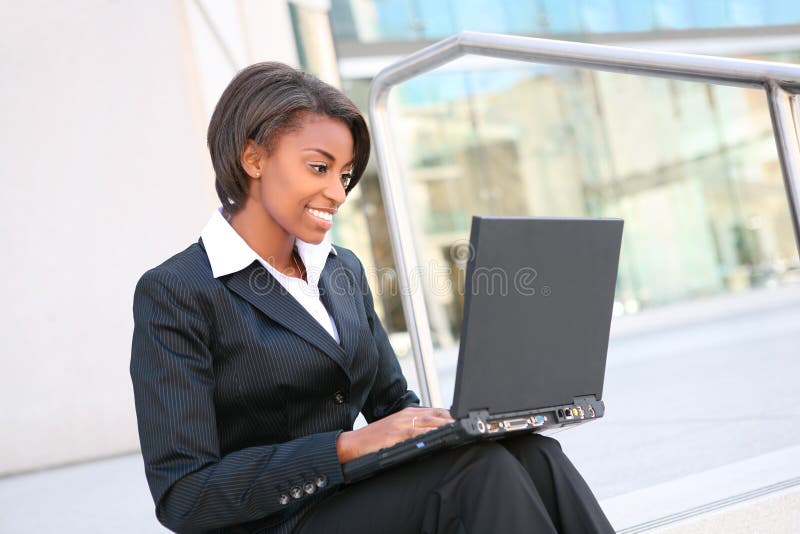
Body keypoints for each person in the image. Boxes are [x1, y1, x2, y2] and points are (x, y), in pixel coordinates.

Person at [130, 62, 614, 534]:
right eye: (319, 167)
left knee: (533, 454)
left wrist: (474, 421)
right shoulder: (178, 291)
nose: (337, 194)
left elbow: (393, 408)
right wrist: (344, 447)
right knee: (475, 474)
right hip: (278, 520)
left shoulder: (341, 269)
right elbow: (184, 494)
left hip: (358, 497)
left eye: (343, 175)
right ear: (253, 159)